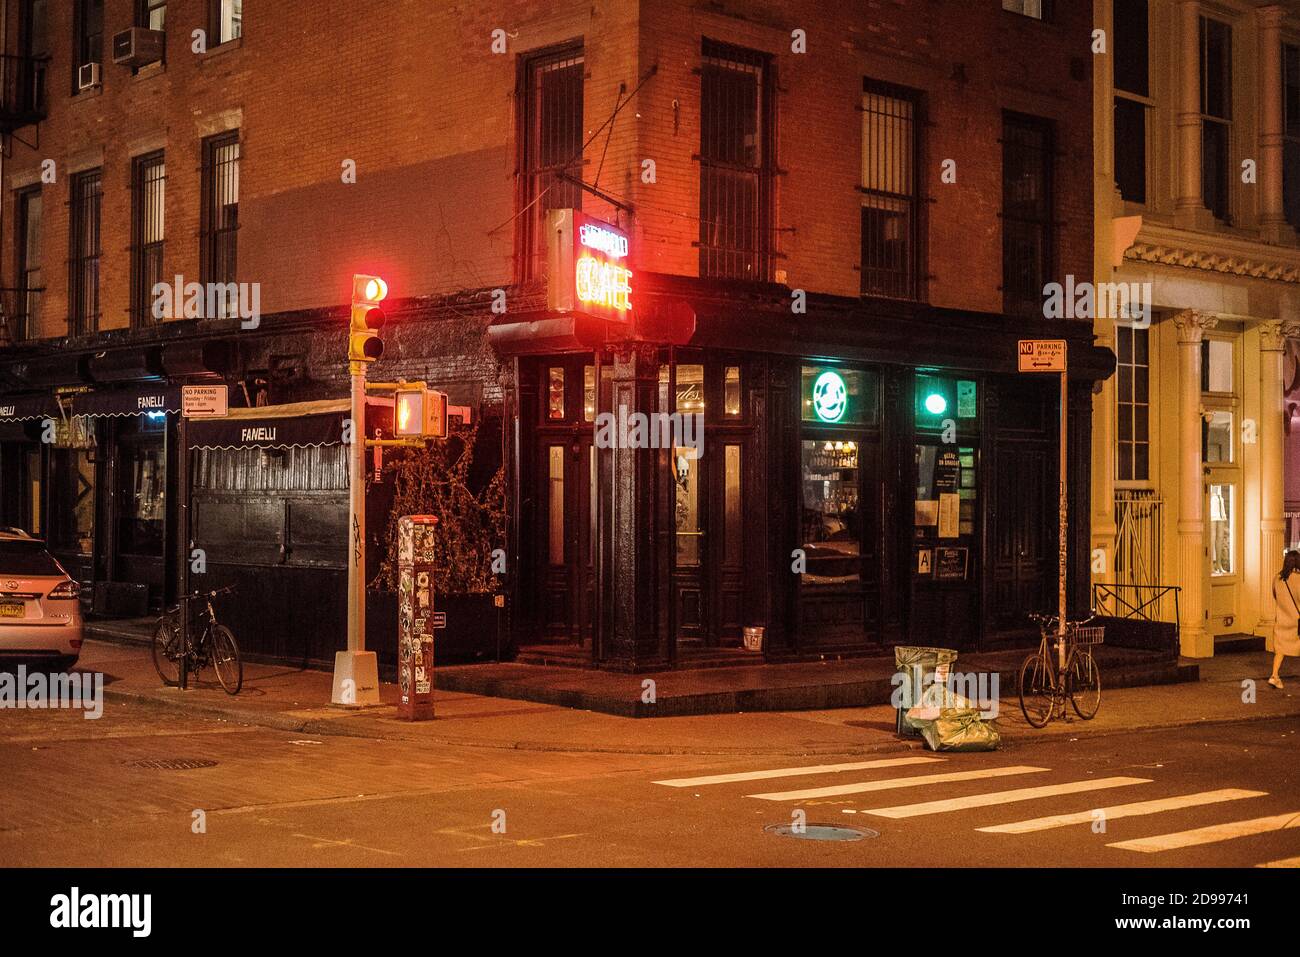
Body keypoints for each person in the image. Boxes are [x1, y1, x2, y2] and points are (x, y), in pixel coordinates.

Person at [1269, 550, 1300, 690]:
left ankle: (1274, 676)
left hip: (1282, 618)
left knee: (1280, 650)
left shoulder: (1278, 578)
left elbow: (1275, 595)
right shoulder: (1298, 578)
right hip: (1297, 620)